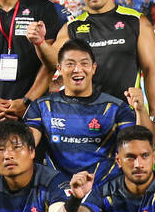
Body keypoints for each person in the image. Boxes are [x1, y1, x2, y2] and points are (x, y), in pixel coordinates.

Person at [49, 0, 155, 145]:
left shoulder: (137, 22)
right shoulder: (72, 28)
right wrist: (40, 46)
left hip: (125, 120)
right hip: (84, 122)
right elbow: (49, 62)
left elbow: (151, 71)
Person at [22, 40, 145, 184]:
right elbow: (26, 146)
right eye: (70, 64)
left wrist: (141, 111)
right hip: (59, 192)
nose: (77, 69)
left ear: (93, 68)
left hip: (103, 193)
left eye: (84, 63)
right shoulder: (43, 106)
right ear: (59, 69)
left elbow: (139, 144)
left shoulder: (115, 108)